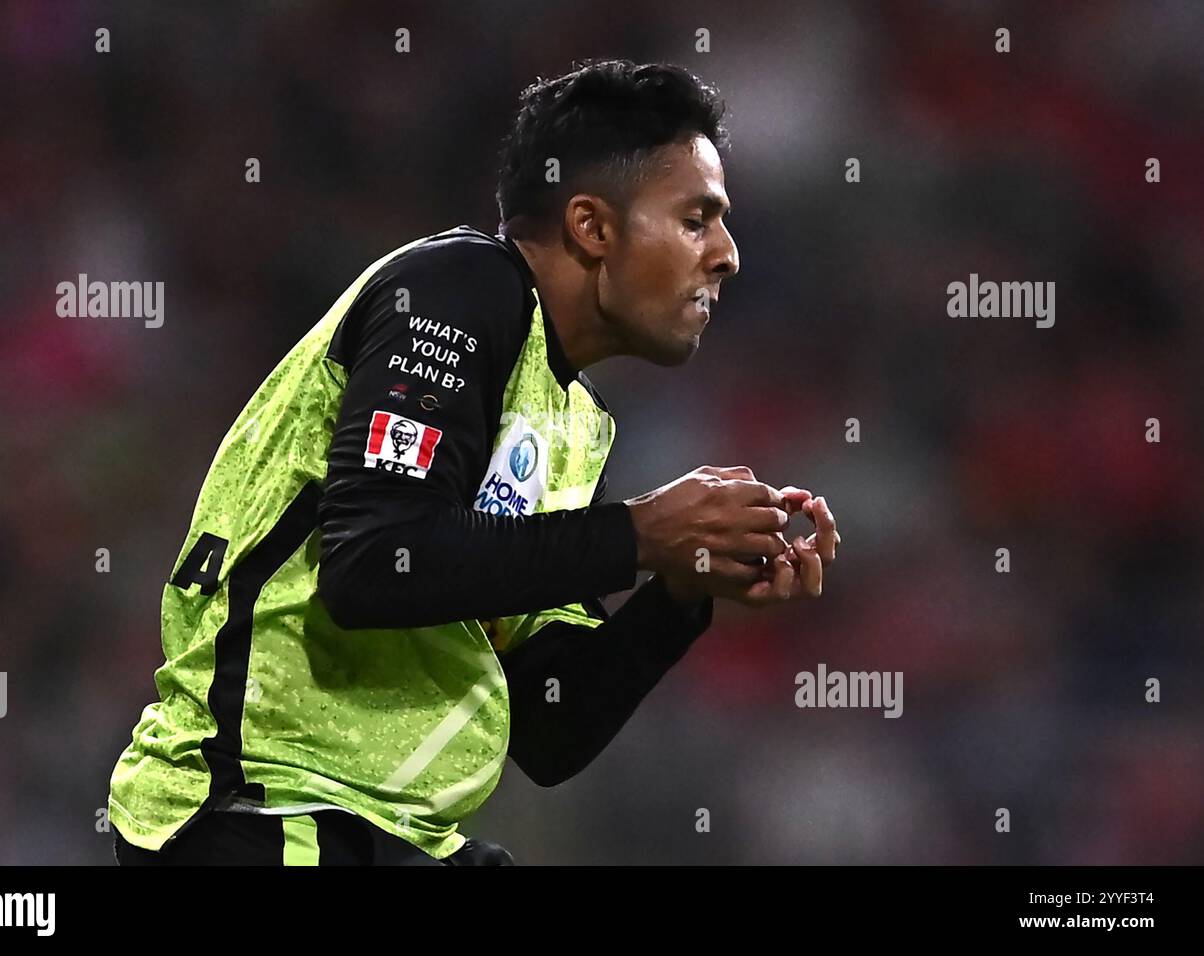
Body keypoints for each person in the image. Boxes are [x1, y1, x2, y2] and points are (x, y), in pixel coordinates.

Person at [108, 57, 839, 866]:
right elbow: (375, 562)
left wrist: (679, 588)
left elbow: (552, 728)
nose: (729, 254)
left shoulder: (575, 420)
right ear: (593, 226)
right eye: (698, 219)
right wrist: (638, 533)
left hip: (388, 834)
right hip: (256, 811)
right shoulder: (454, 290)